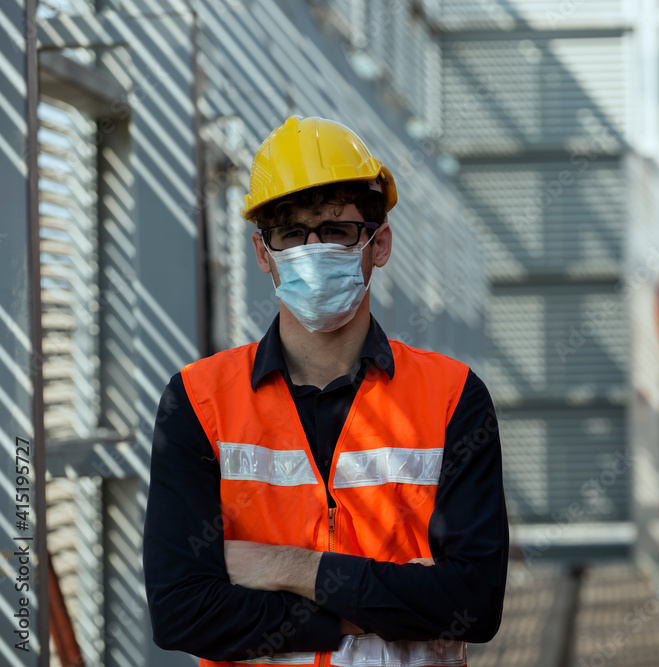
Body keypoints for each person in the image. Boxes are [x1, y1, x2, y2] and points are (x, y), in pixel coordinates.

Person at [143, 116, 509, 666]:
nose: (312, 251)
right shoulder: (199, 401)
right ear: (264, 254)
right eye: (291, 234)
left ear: (378, 243)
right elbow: (182, 613)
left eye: (336, 231)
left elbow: (474, 603)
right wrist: (384, 606)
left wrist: (287, 568)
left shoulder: (452, 395)